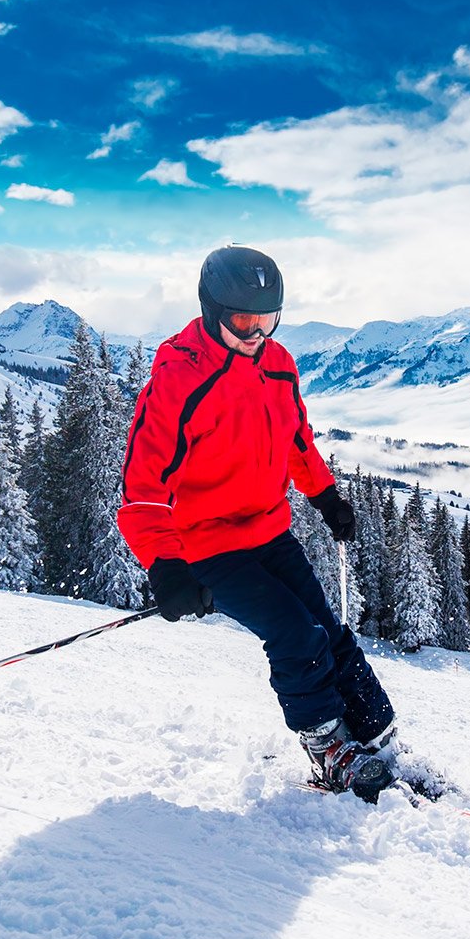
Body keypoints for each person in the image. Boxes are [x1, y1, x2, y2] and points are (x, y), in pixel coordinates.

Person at [117, 244, 398, 801]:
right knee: (295, 637)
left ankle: (376, 734)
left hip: (269, 529)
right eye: (243, 319)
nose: (255, 333)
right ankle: (329, 750)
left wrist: (326, 497)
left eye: (266, 320)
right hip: (207, 546)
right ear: (211, 308)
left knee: (327, 628)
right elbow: (142, 488)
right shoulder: (179, 378)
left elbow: (296, 441)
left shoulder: (278, 365)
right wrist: (166, 565)